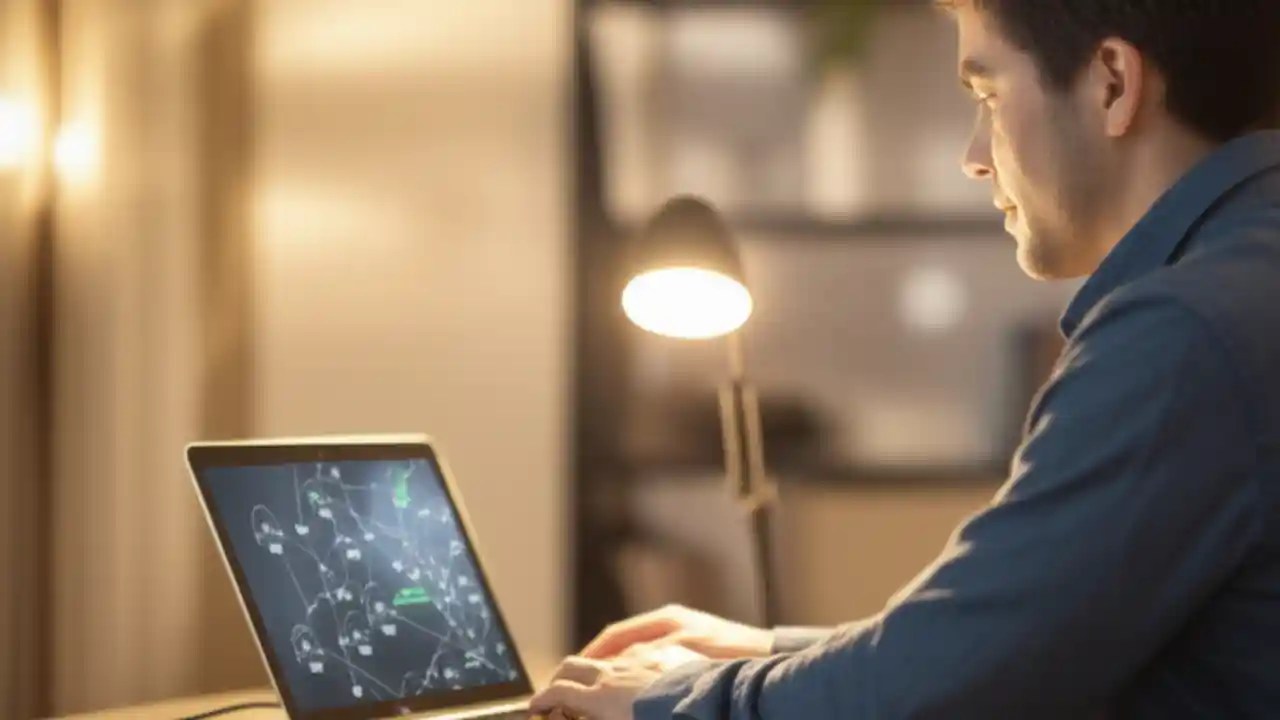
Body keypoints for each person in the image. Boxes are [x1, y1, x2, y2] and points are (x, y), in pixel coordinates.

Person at [532, 0, 1280, 718]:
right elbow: (1027, 648)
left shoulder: (1183, 333)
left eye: (987, 96)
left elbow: (959, 690)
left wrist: (680, 702)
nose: (973, 157)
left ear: (1112, 82)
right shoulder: (1245, 274)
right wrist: (768, 656)